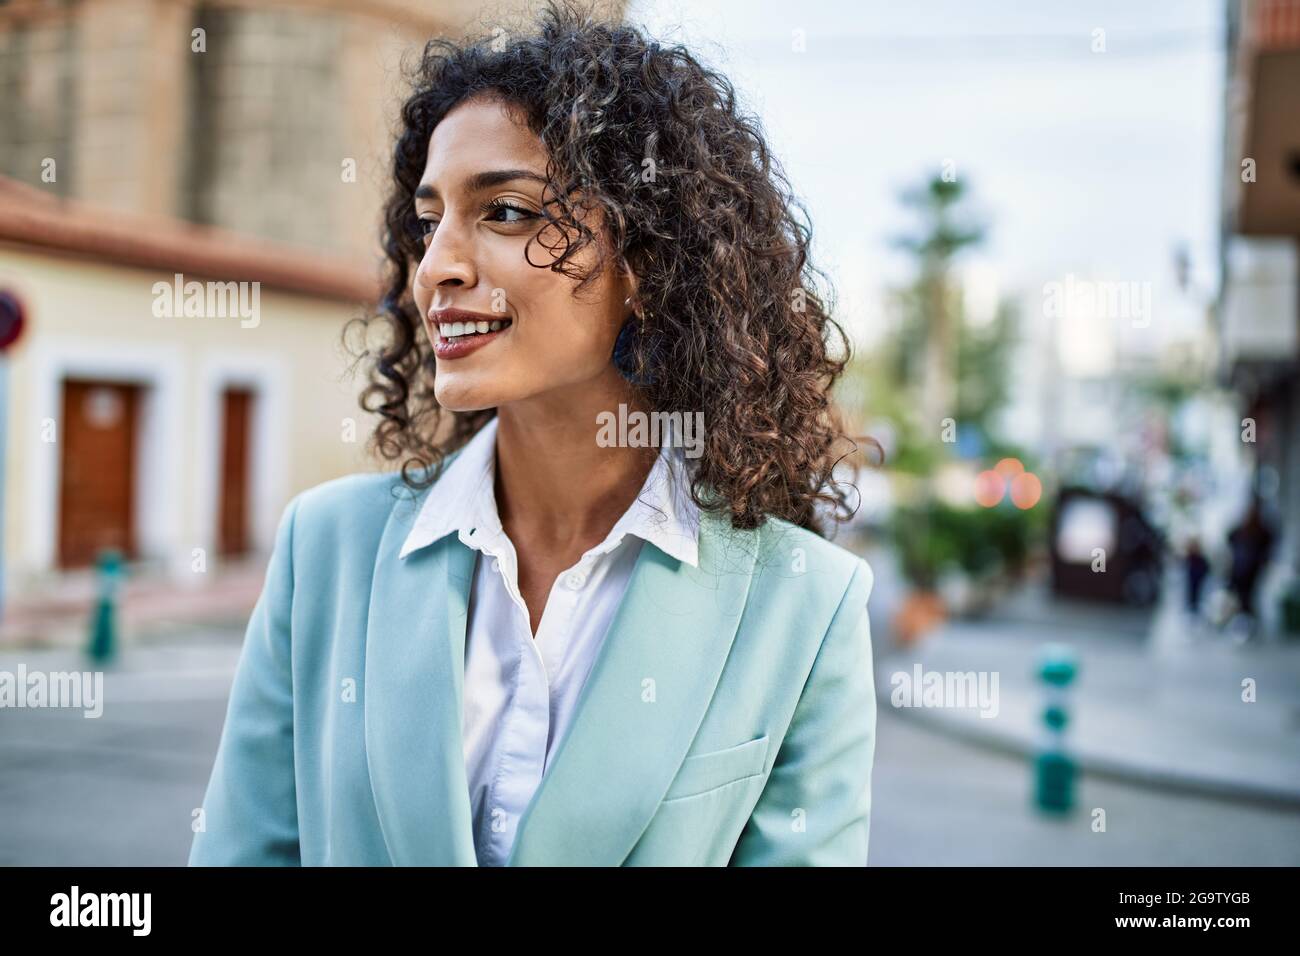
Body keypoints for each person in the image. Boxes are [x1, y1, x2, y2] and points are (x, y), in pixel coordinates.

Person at [189, 1, 878, 867]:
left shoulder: (804, 608)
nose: (439, 262)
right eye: (428, 219)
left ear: (648, 259)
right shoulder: (322, 552)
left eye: (505, 211)